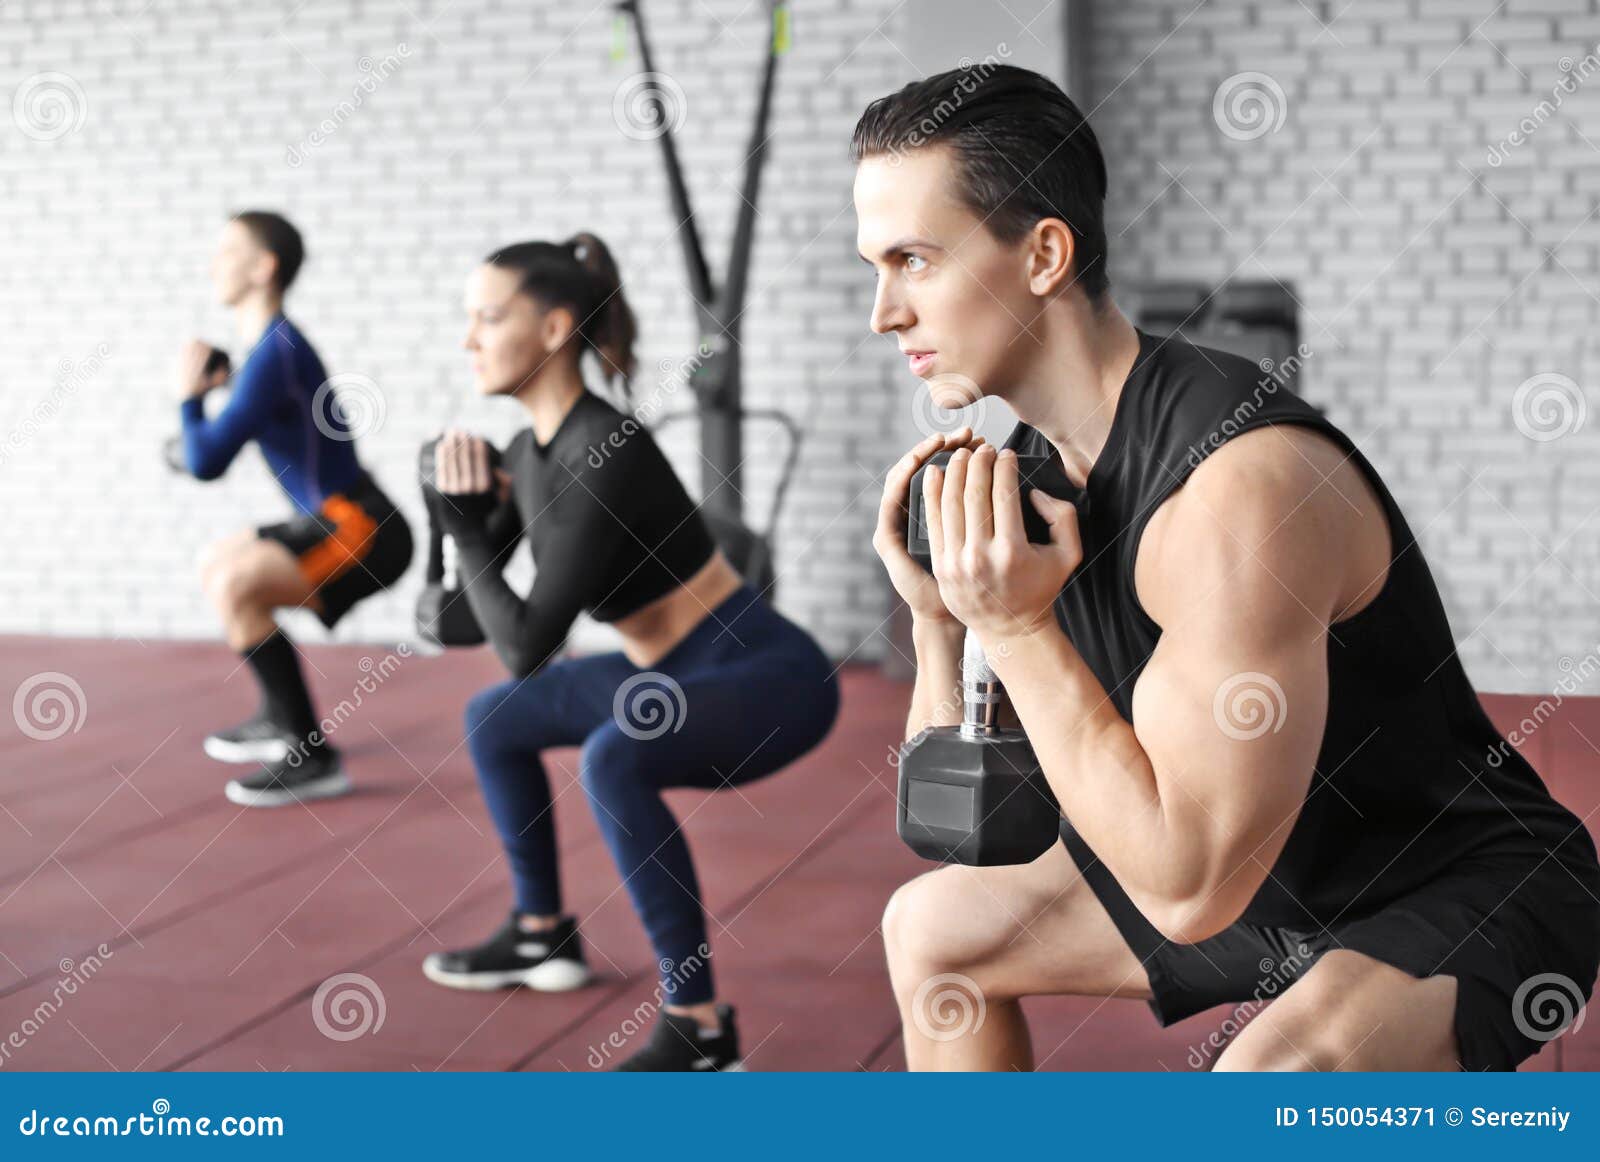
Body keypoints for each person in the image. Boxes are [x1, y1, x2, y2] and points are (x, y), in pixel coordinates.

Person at [855, 65, 1600, 1072]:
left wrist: (1018, 626)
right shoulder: (1028, 478)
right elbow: (973, 824)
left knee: (1263, 1085)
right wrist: (943, 619)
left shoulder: (1238, 486)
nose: (883, 313)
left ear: (1043, 254)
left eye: (912, 260)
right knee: (933, 933)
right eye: (876, 267)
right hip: (1268, 887)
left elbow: (1189, 890)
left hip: (1449, 885)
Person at [418, 232, 840, 1072]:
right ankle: (540, 932)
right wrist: (447, 522)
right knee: (495, 719)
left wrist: (468, 538)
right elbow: (468, 623)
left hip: (763, 673)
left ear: (553, 329)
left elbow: (529, 646)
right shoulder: (526, 456)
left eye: (488, 318)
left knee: (614, 757)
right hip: (661, 670)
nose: (468, 340)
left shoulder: (603, 453)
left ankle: (699, 1027)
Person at [177, 210, 413, 807]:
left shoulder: (274, 353)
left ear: (264, 267)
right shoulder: (267, 353)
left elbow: (205, 460)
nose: (214, 263)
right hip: (331, 519)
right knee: (217, 561)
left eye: (228, 251)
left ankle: (313, 758)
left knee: (237, 583)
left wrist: (188, 400)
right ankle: (279, 716)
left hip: (363, 529)